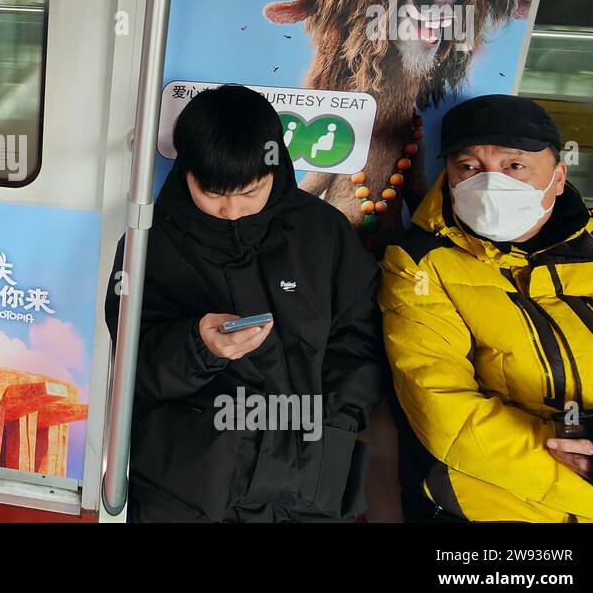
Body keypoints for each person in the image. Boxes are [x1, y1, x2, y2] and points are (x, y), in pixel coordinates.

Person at [105, 84, 384, 522]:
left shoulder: (323, 232)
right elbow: (128, 367)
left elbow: (361, 340)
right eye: (212, 193)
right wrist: (199, 347)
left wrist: (334, 424)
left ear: (276, 169)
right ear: (186, 172)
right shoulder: (149, 244)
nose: (231, 210)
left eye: (250, 192)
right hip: (188, 486)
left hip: (310, 483)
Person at [380, 94, 593, 522]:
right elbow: (446, 413)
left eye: (514, 166)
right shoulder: (421, 263)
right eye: (469, 167)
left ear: (559, 176)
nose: (491, 183)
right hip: (486, 506)